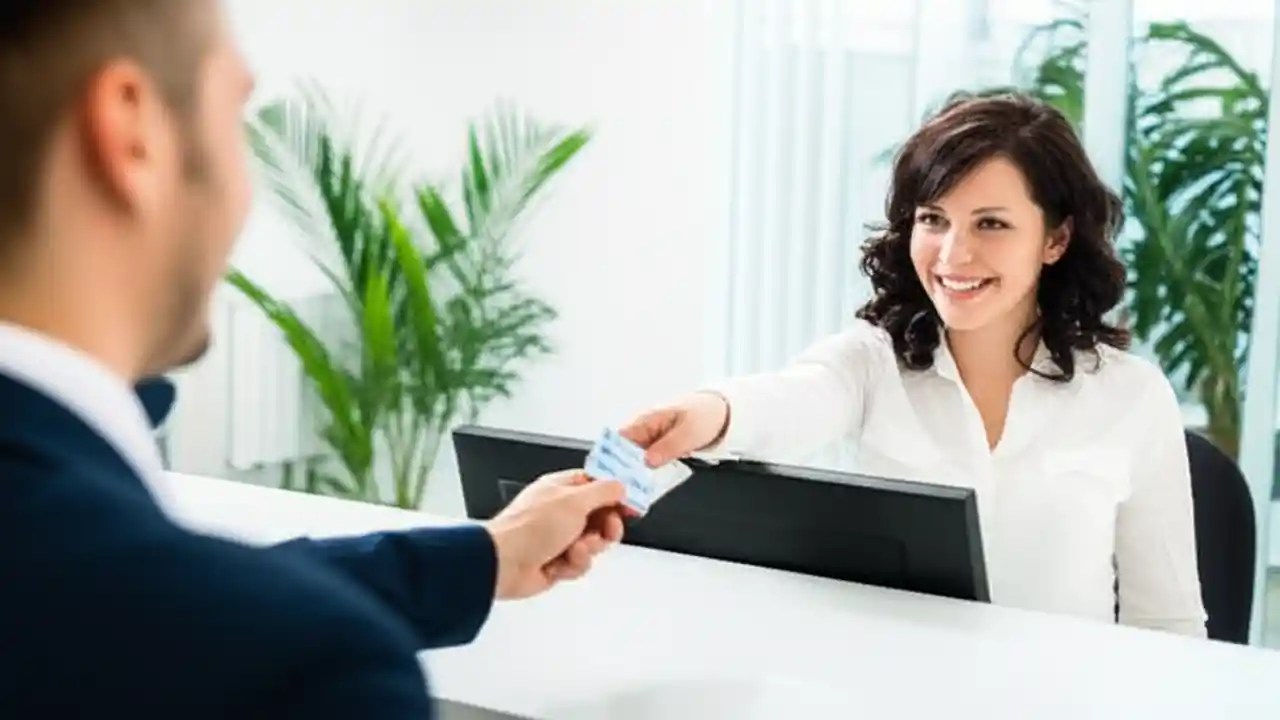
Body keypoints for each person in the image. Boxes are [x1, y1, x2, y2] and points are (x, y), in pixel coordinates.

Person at [0, 2, 626, 717]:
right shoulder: (309, 674)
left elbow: (110, 612)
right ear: (132, 131)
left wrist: (480, 559)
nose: (246, 193)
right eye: (234, 116)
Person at [623, 92, 1208, 637]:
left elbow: (1170, 625)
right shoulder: (873, 364)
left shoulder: (1131, 397)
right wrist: (706, 414)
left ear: (1055, 239)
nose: (954, 255)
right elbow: (794, 398)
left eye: (991, 223)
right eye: (933, 219)